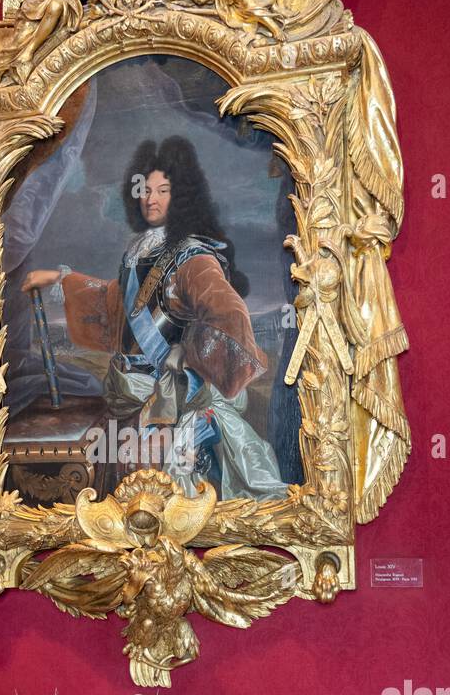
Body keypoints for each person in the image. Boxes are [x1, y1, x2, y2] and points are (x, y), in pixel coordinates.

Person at [22, 136, 288, 499]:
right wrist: (59, 279)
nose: (151, 198)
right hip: (130, 394)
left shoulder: (192, 256)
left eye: (162, 190)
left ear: (180, 196)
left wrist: (189, 352)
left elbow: (229, 313)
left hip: (174, 401)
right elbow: (116, 303)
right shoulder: (139, 251)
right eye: (145, 190)